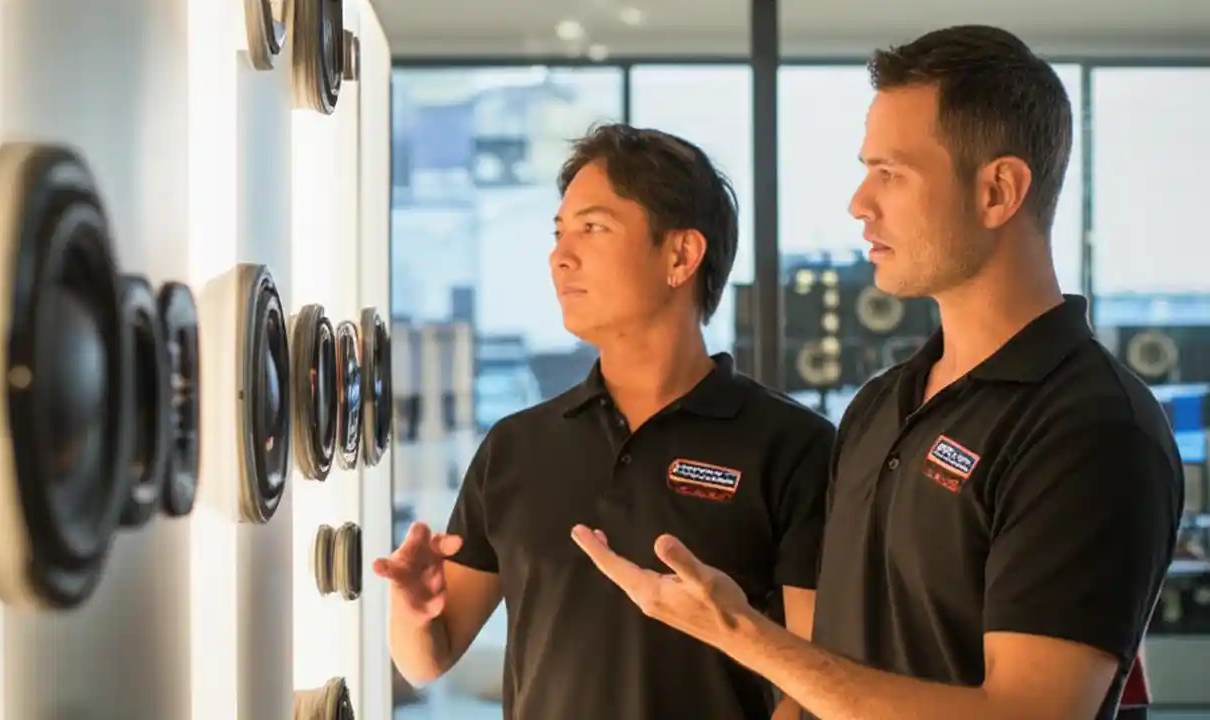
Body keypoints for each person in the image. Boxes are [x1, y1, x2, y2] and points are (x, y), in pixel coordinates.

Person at [572, 25, 1184, 720]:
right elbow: (834, 674)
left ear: (998, 191)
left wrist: (742, 634)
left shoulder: (1092, 427)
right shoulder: (879, 406)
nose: (860, 203)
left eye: (890, 173)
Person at [372, 123, 836, 720]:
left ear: (680, 254)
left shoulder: (793, 446)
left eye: (593, 228)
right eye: (559, 233)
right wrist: (411, 612)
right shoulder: (517, 446)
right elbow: (427, 661)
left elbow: (815, 678)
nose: (561, 256)